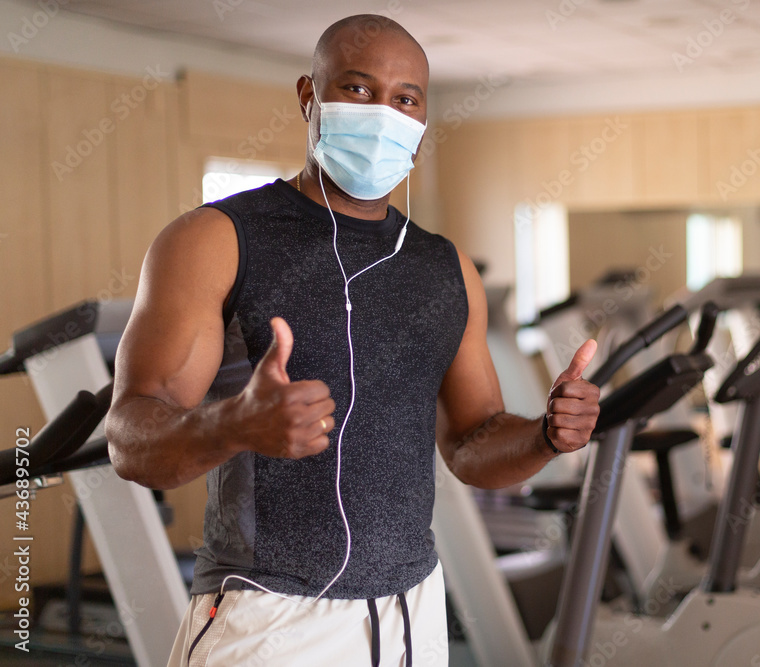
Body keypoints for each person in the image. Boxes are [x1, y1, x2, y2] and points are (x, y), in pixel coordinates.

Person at [104, 13, 600, 667]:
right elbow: (129, 438)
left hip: (410, 612)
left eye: (405, 100)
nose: (383, 115)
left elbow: (473, 441)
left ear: (422, 125)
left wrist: (544, 435)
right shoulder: (213, 240)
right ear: (310, 96)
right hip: (267, 611)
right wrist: (234, 424)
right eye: (360, 90)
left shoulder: (445, 269)